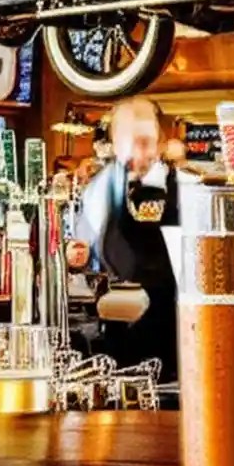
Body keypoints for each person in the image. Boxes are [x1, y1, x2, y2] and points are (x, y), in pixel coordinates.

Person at [75, 97, 179, 379]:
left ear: (160, 143)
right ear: (114, 143)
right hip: (117, 338)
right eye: (127, 141)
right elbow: (81, 251)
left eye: (145, 141)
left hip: (173, 338)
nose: (136, 151)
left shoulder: (184, 189)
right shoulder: (99, 190)